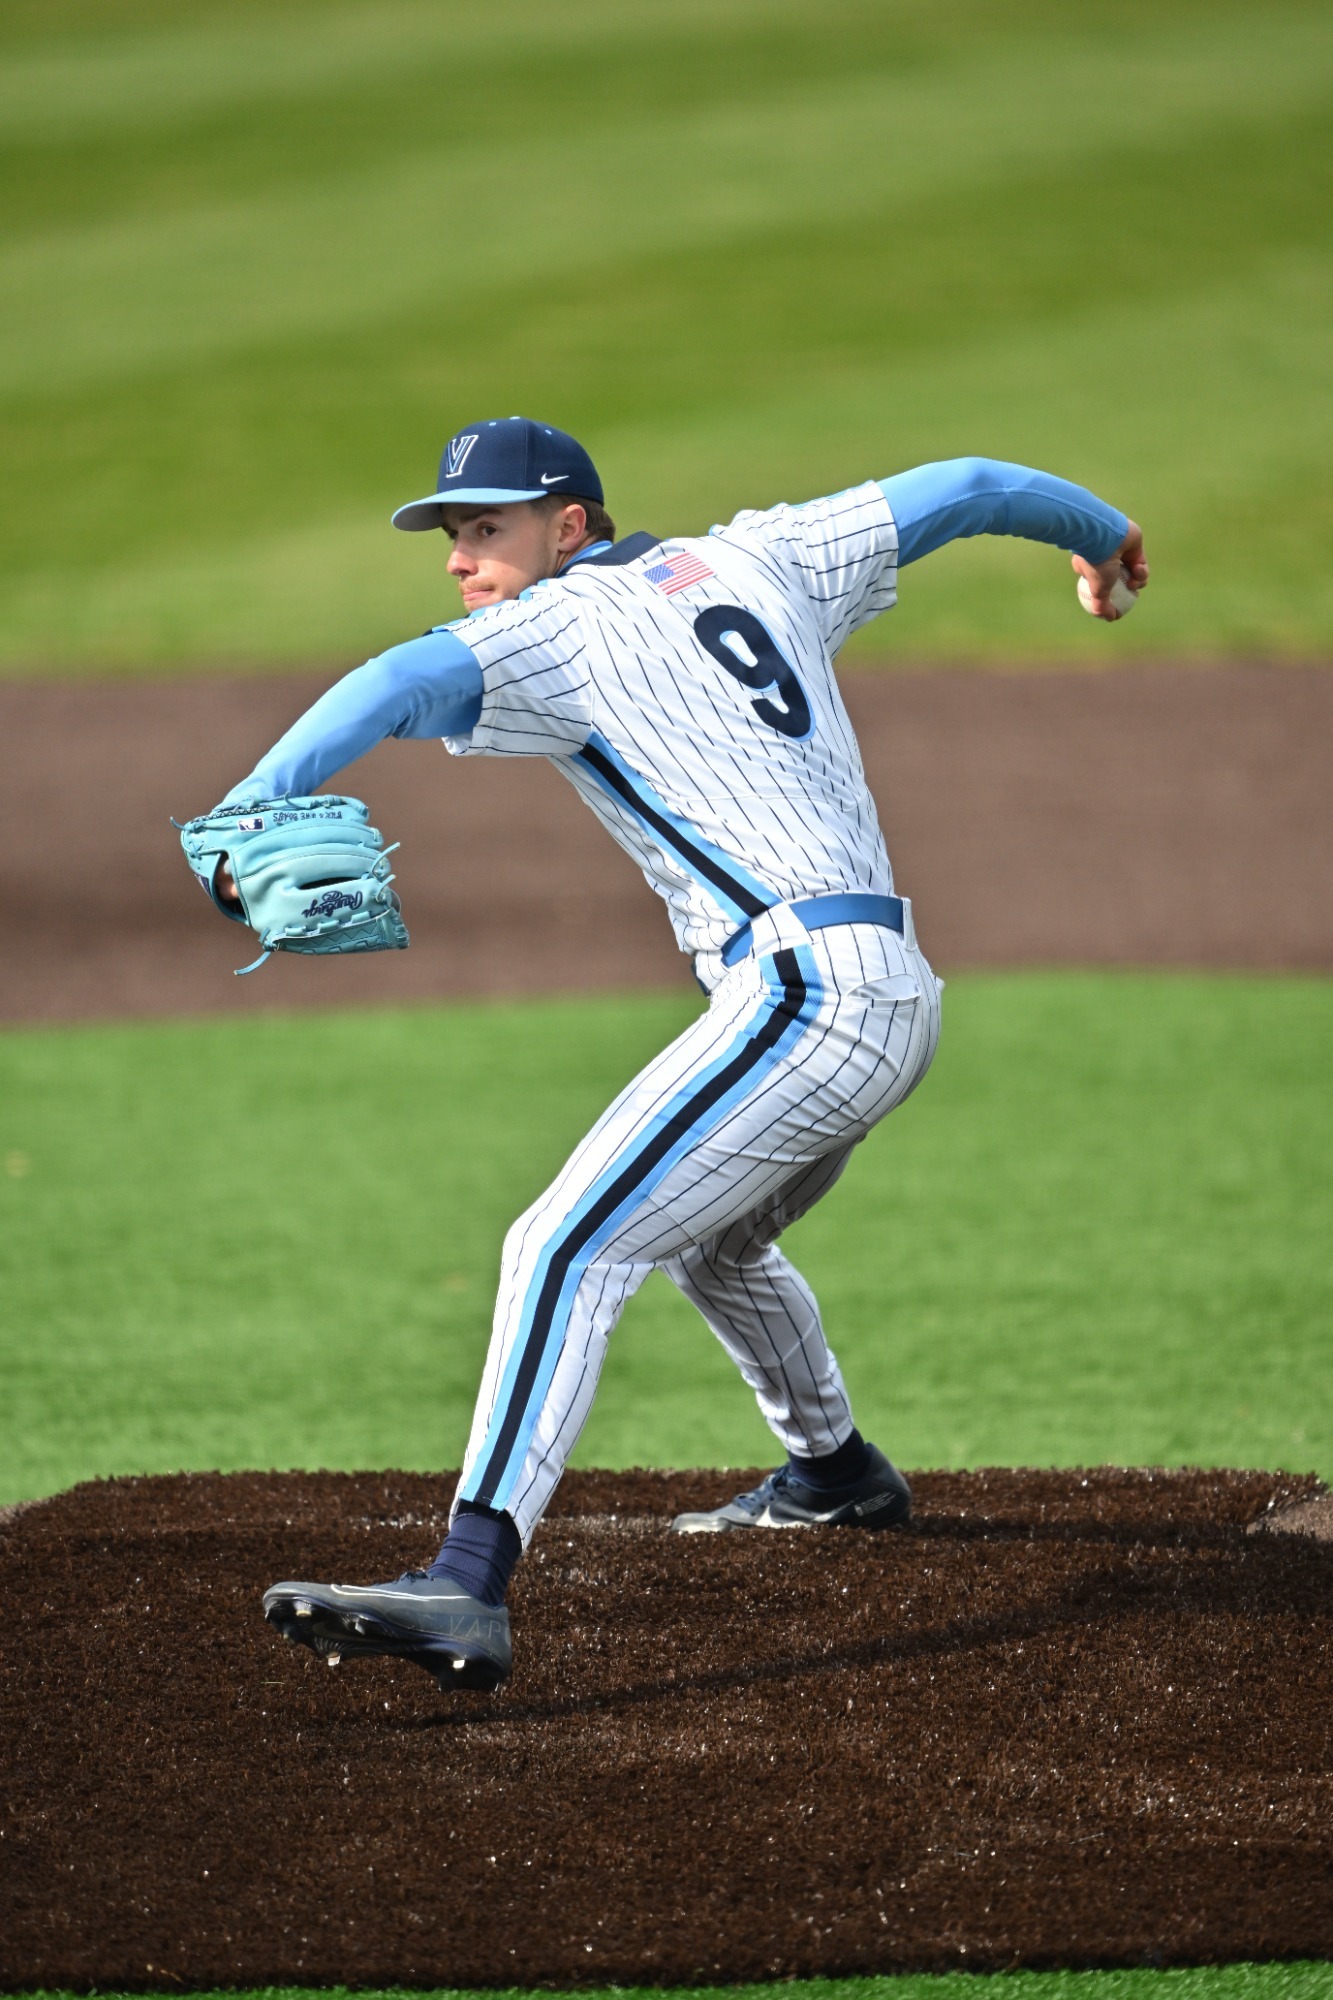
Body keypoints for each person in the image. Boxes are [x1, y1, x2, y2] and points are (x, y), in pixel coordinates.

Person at [223, 416, 1147, 1692]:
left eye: (485, 527)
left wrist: (253, 799)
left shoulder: (549, 627)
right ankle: (834, 1475)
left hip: (805, 1001)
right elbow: (974, 486)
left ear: (571, 527)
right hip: (891, 993)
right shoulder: (762, 556)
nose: (458, 557)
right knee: (718, 1240)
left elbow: (391, 685)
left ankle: (464, 1580)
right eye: (449, 533)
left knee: (562, 1245)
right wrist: (1101, 541)